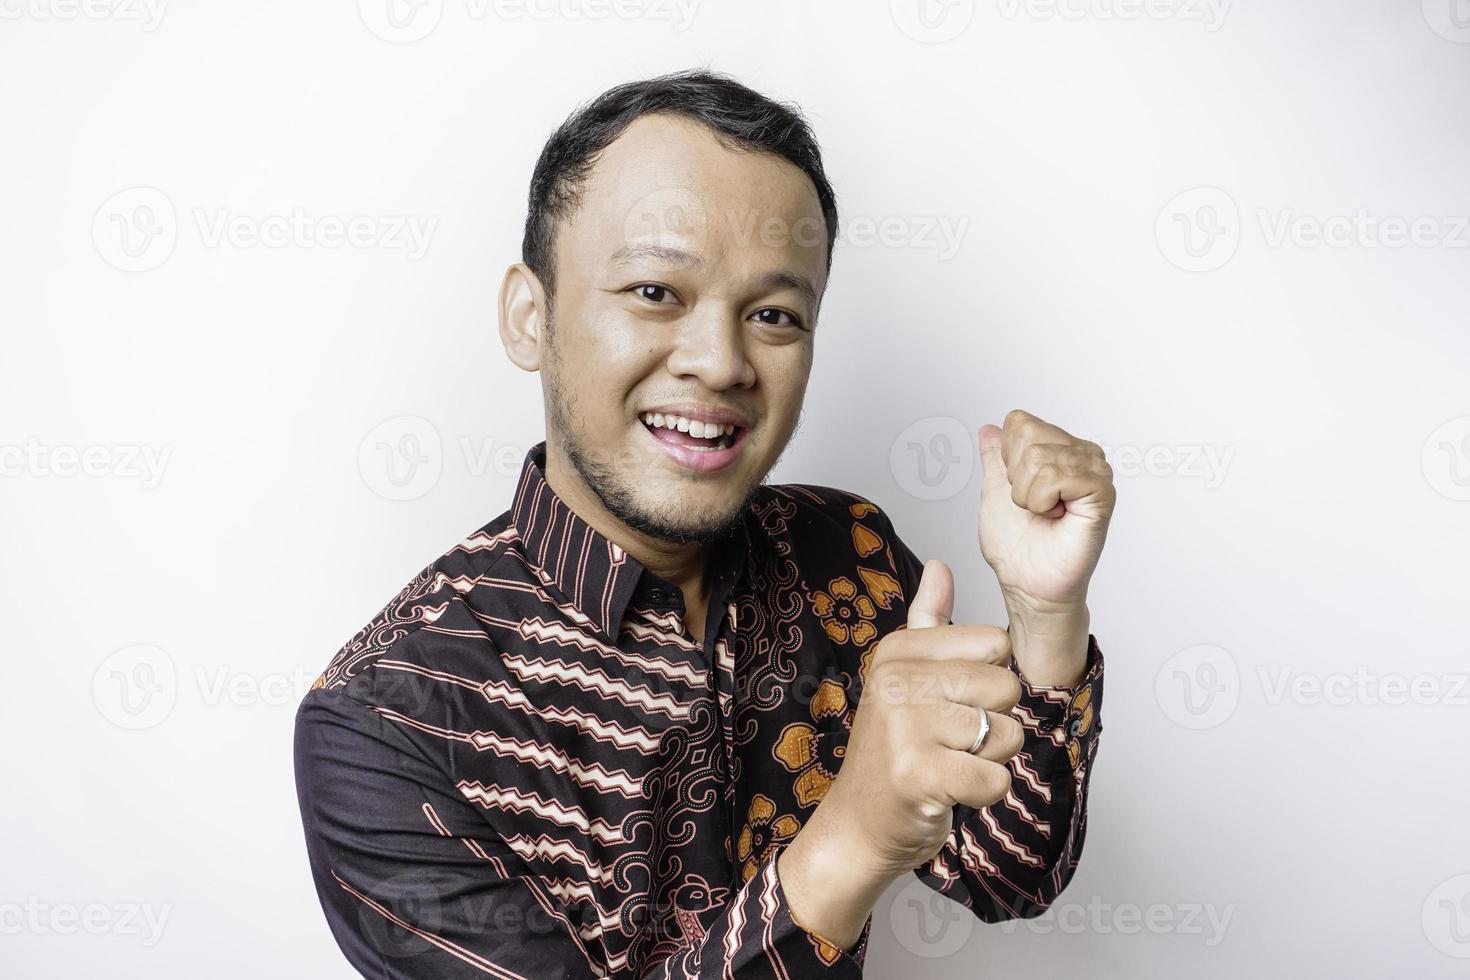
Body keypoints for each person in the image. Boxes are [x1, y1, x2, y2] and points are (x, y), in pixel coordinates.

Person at [293, 68, 1115, 978]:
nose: (721, 363)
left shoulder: (847, 558)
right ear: (531, 317)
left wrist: (1045, 616)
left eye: (773, 314)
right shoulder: (384, 724)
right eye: (655, 291)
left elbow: (1011, 875)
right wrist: (851, 840)